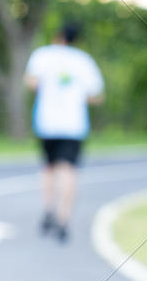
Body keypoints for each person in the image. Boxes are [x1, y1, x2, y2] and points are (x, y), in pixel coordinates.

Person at [24, 21, 104, 243]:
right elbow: (97, 95)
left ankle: (48, 209)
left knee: (49, 168)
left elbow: (31, 82)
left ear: (58, 36)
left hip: (47, 122)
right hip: (74, 125)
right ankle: (63, 219)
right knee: (68, 170)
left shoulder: (43, 55)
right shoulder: (83, 61)